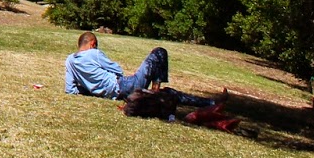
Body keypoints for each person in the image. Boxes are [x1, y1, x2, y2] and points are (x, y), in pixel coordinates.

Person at [64, 31, 221, 106]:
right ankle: (155, 93)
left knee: (170, 94)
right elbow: (118, 71)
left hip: (117, 95)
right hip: (124, 85)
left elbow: (70, 89)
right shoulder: (94, 53)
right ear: (92, 43)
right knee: (159, 52)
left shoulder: (70, 60)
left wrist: (90, 87)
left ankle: (210, 103)